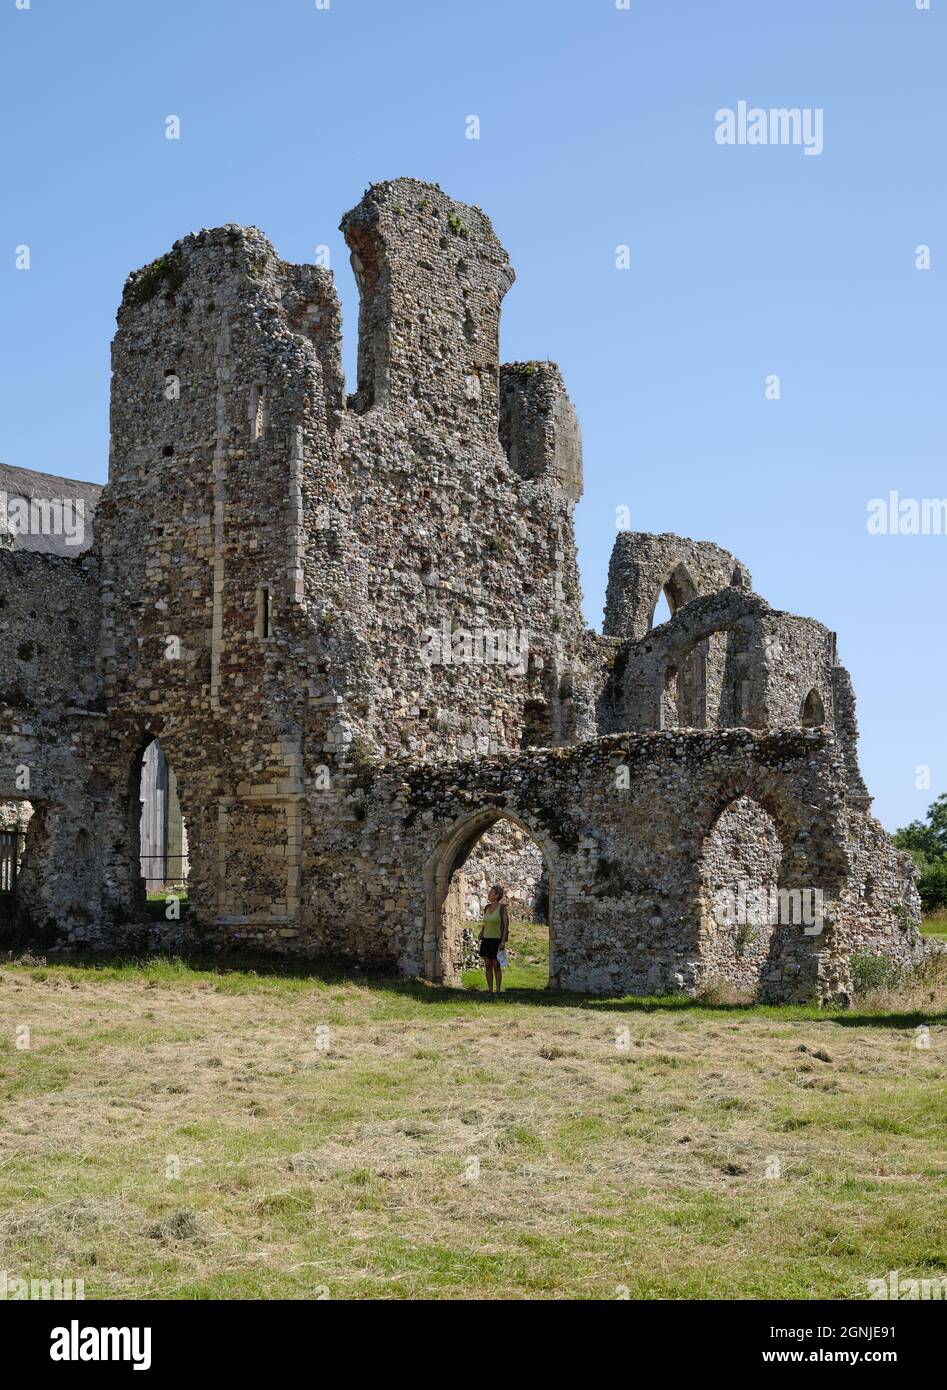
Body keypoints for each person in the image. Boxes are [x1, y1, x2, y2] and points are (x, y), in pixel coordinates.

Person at [478, 884, 509, 995]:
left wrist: (503, 942)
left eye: (491, 892)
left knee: (496, 965)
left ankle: (498, 991)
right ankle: (490, 990)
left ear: (497, 895)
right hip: (486, 939)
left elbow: (505, 926)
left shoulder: (502, 909)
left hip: (497, 940)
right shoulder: (486, 907)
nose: (489, 894)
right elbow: (485, 923)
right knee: (487, 966)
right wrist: (481, 933)